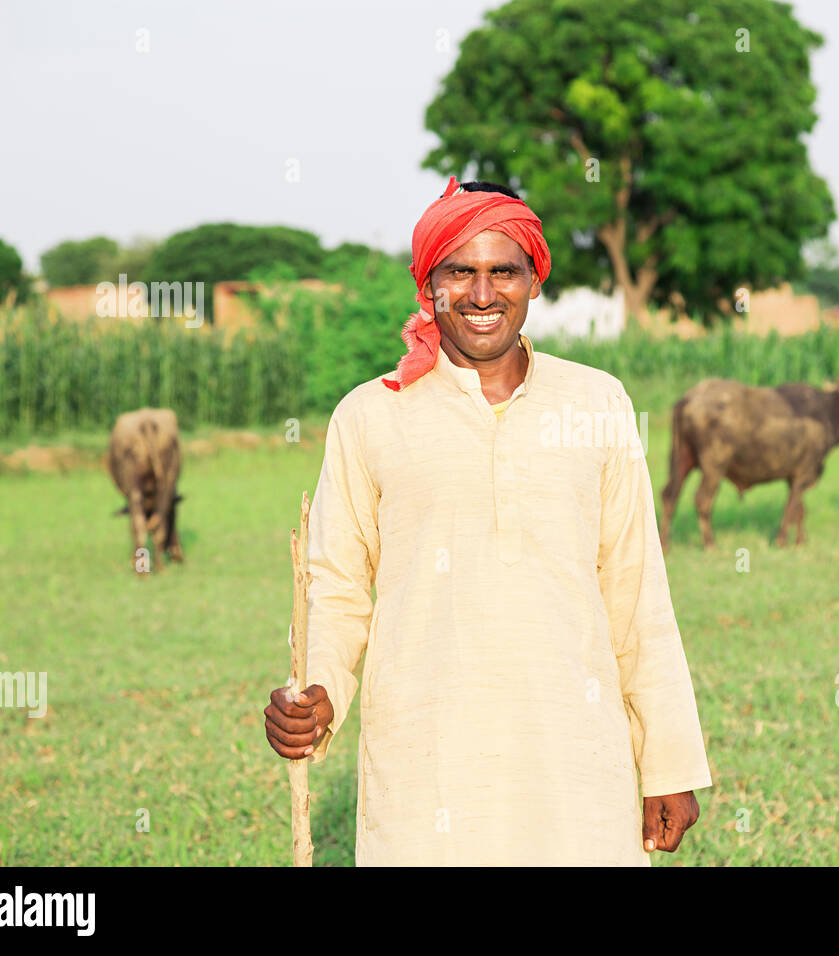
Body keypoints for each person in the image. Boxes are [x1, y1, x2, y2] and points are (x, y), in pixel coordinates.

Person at [264, 176, 711, 865]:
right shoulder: (371, 415)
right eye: (458, 273)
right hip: (426, 758)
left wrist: (669, 765)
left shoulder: (597, 403)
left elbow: (636, 592)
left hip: (577, 755)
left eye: (502, 271)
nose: (481, 294)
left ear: (534, 280)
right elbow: (338, 586)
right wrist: (319, 692)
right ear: (428, 285)